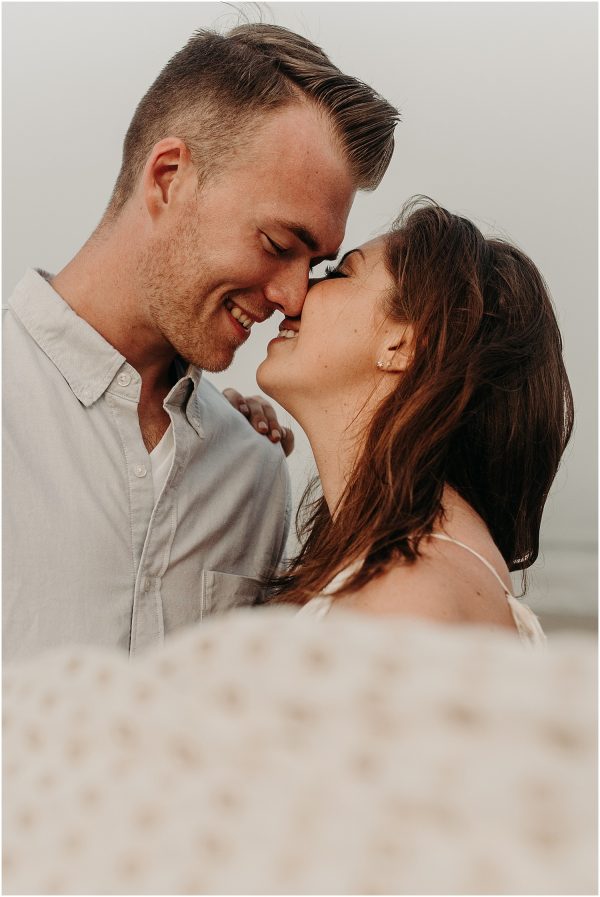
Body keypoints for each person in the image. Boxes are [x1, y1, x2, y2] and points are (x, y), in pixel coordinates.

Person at [3, 24, 399, 662]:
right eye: (277, 245)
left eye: (316, 264)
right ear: (168, 178)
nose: (295, 299)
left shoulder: (254, 469)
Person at [257, 199, 574, 643]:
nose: (294, 294)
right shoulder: (422, 562)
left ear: (404, 343)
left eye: (339, 273)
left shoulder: (403, 595)